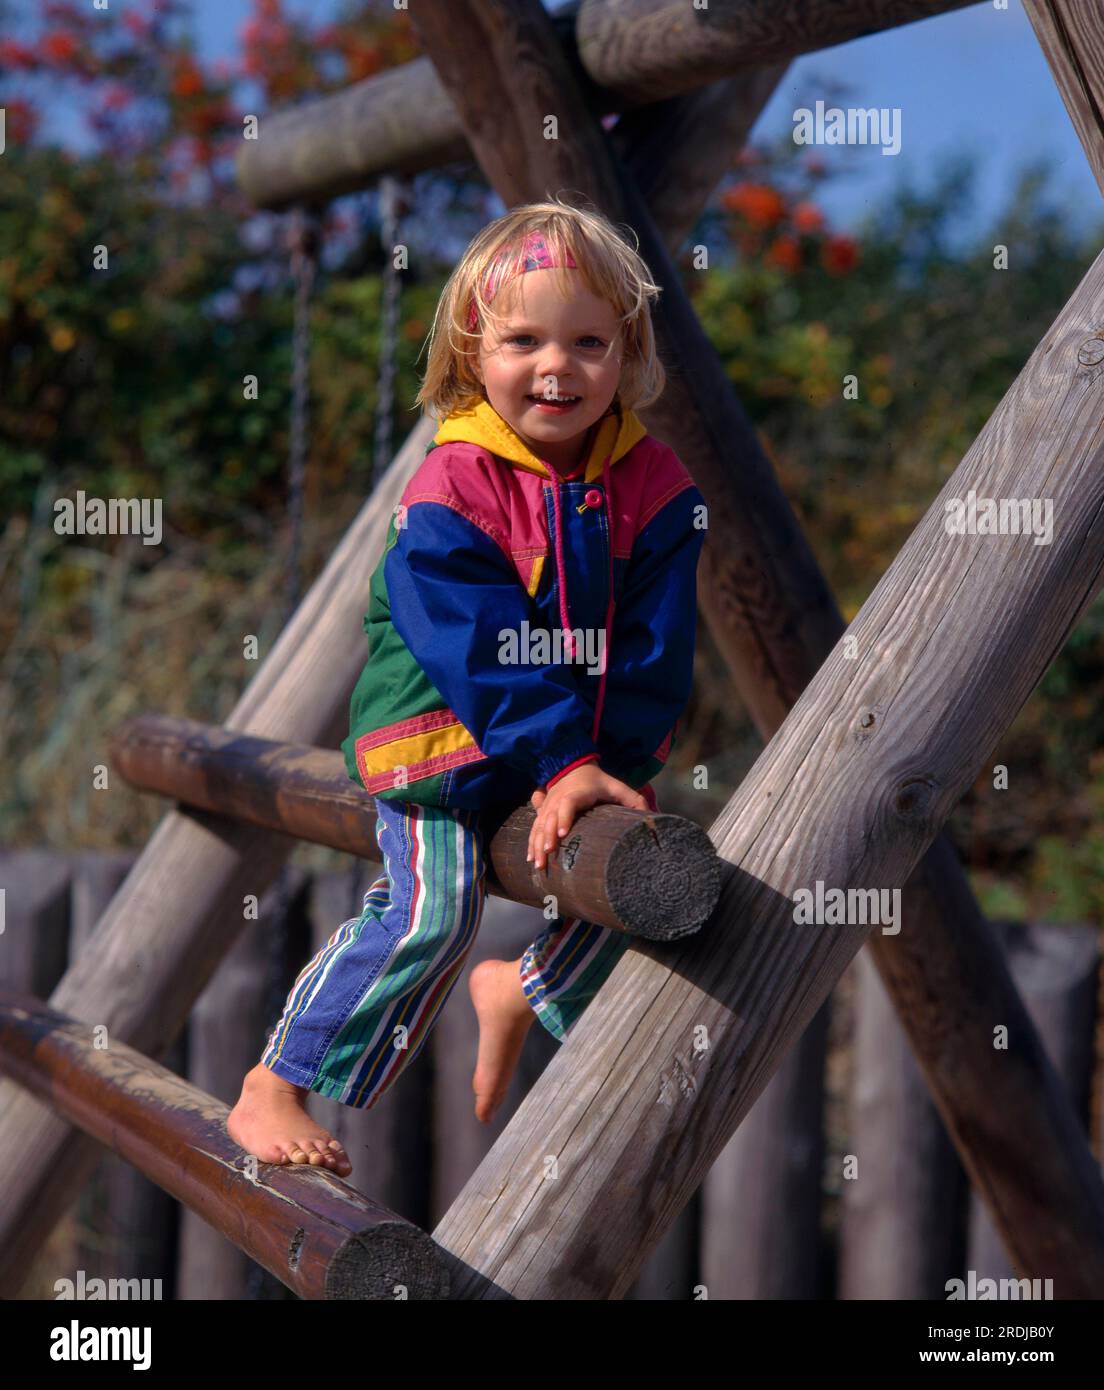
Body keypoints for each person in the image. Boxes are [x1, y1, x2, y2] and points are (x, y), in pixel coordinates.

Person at [227, 197, 706, 1177]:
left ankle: (522, 987)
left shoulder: (656, 487)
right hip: (443, 738)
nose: (556, 367)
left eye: (587, 341)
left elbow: (655, 650)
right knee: (430, 912)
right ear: (471, 352)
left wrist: (603, 771)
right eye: (523, 338)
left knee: (648, 882)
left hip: (563, 751)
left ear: (626, 351)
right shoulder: (456, 483)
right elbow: (479, 645)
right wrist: (562, 753)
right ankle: (276, 1078)